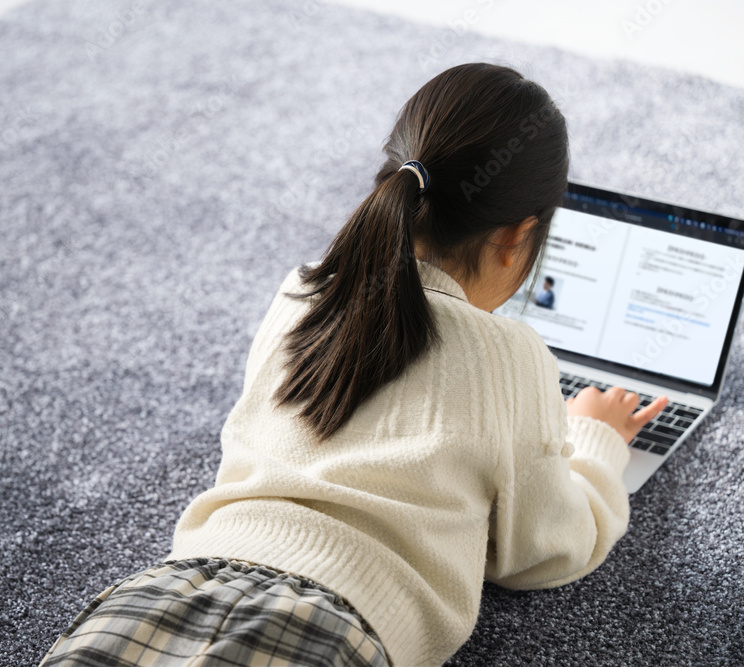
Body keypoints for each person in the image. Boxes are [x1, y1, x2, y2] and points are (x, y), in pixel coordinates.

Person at [39, 63, 668, 667]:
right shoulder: (510, 355)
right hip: (325, 625)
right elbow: (544, 551)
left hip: (159, 593)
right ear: (515, 238)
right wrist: (596, 442)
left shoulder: (297, 296)